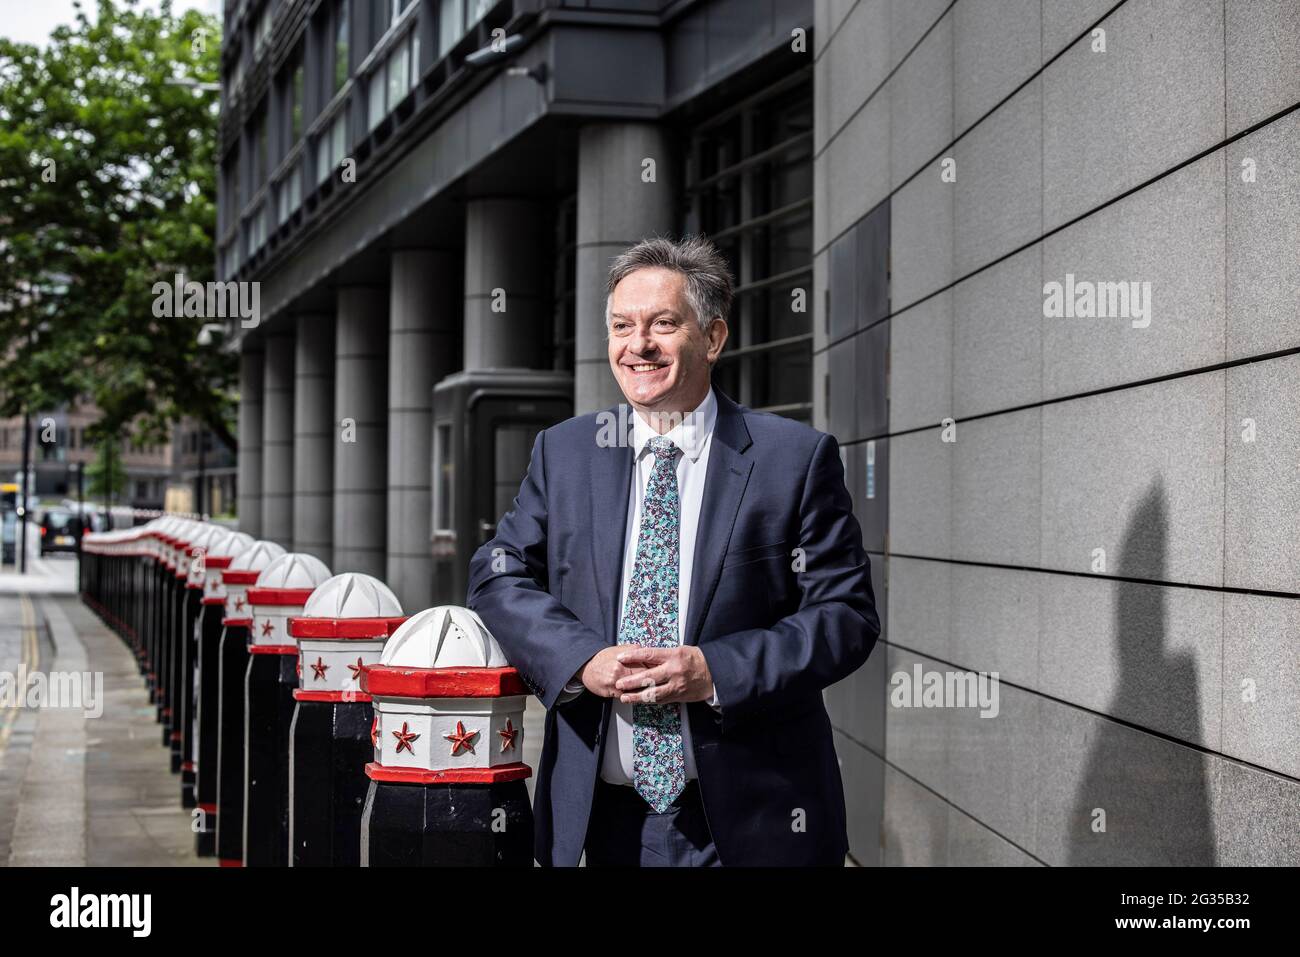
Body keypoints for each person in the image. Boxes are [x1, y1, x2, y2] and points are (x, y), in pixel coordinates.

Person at [467, 235, 879, 866]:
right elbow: (498, 574)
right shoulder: (566, 452)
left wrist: (716, 670)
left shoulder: (792, 459)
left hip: (749, 822)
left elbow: (846, 616)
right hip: (603, 824)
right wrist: (582, 661)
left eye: (663, 323)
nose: (639, 345)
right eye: (621, 327)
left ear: (712, 338)